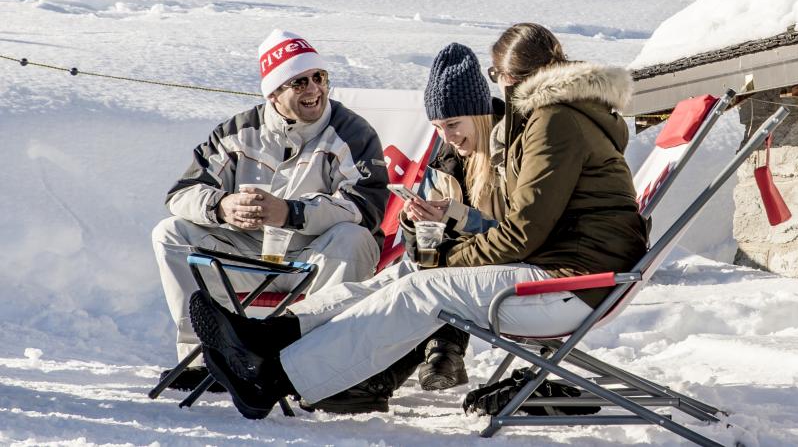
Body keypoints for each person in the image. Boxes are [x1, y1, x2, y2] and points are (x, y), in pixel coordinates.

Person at [190, 22, 650, 420]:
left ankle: (272, 377)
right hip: (570, 268)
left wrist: (450, 255)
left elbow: (524, 233)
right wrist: (451, 240)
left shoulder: (555, 121)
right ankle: (271, 336)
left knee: (421, 288)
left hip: (575, 281)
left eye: (497, 78)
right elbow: (529, 226)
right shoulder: (560, 118)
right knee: (407, 273)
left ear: (510, 77)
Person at [247, 41, 507, 413]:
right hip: (457, 267)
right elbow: (430, 245)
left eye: (453, 124)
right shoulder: (446, 160)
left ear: (479, 115)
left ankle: (352, 373)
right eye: (437, 127)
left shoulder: (508, 155)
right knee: (390, 280)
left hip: (495, 274)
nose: (447, 136)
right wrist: (416, 221)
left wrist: (458, 218)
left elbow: (518, 234)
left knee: (411, 285)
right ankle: (275, 337)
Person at [151, 29, 388, 391]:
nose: (314, 89)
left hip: (317, 258)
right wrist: (221, 206)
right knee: (170, 232)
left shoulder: (351, 131)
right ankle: (207, 358)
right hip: (247, 257)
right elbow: (181, 193)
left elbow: (365, 207)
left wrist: (291, 213)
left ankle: (323, 364)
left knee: (354, 238)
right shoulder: (238, 131)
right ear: (274, 93)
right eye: (299, 82)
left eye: (319, 77)